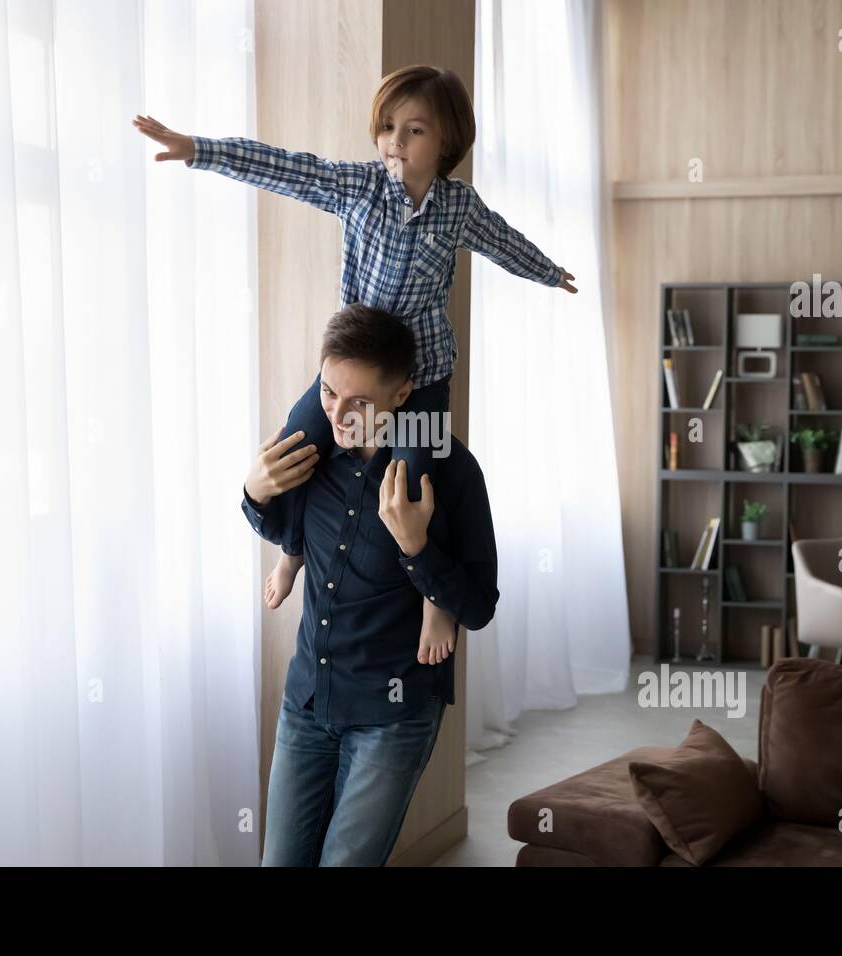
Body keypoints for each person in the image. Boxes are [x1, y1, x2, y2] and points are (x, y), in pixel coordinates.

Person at [136, 63, 567, 669]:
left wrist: (549, 272)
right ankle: (291, 551)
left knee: (418, 474)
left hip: (421, 380)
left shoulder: (458, 207)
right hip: (354, 369)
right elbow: (281, 167)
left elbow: (503, 242)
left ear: (446, 142)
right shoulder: (359, 187)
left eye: (414, 131)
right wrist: (197, 150)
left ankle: (434, 601)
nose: (396, 141)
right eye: (388, 127)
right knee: (297, 444)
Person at [241, 304, 498, 866]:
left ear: (403, 395)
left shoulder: (452, 471)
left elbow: (478, 607)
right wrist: (254, 491)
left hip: (393, 715)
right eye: (329, 392)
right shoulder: (313, 459)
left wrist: (417, 549)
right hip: (308, 699)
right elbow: (285, 534)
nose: (338, 413)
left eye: (359, 401)